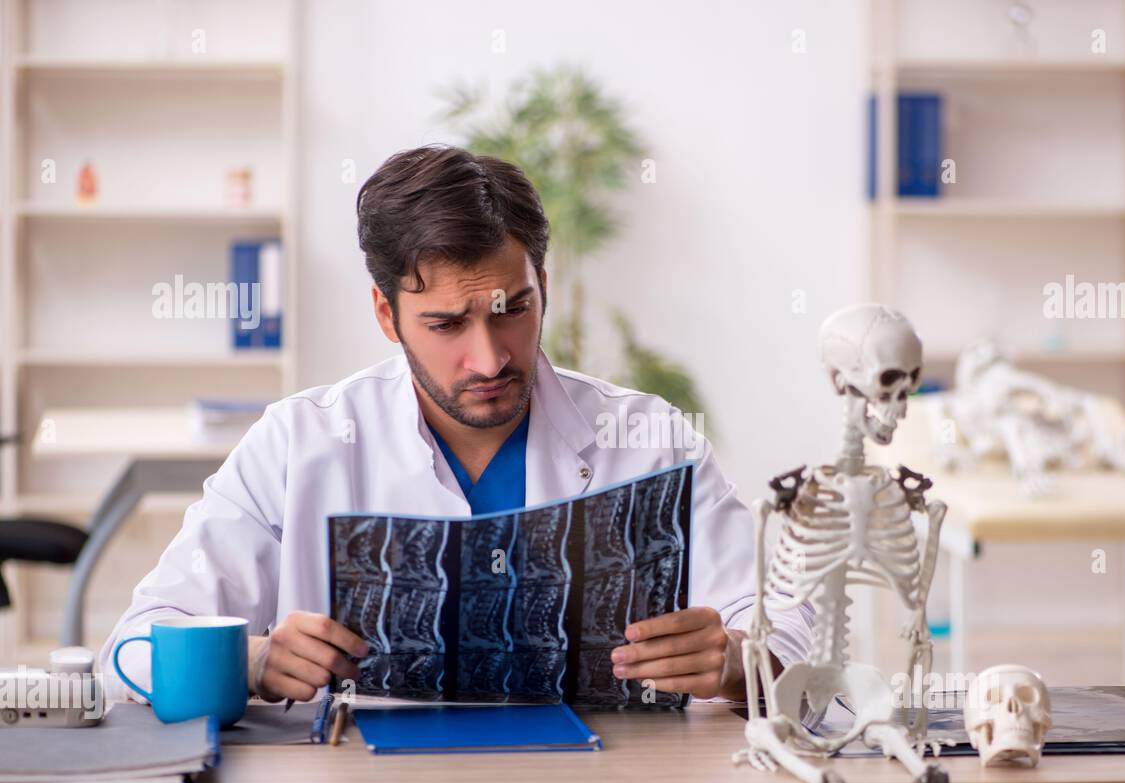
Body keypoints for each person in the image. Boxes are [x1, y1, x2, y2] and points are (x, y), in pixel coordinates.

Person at [102, 145, 812, 706]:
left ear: (542, 285)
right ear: (386, 314)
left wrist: (740, 660)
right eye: (446, 323)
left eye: (513, 309)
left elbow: (803, 643)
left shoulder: (652, 439)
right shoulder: (298, 444)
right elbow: (130, 649)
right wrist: (253, 660)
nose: (490, 355)